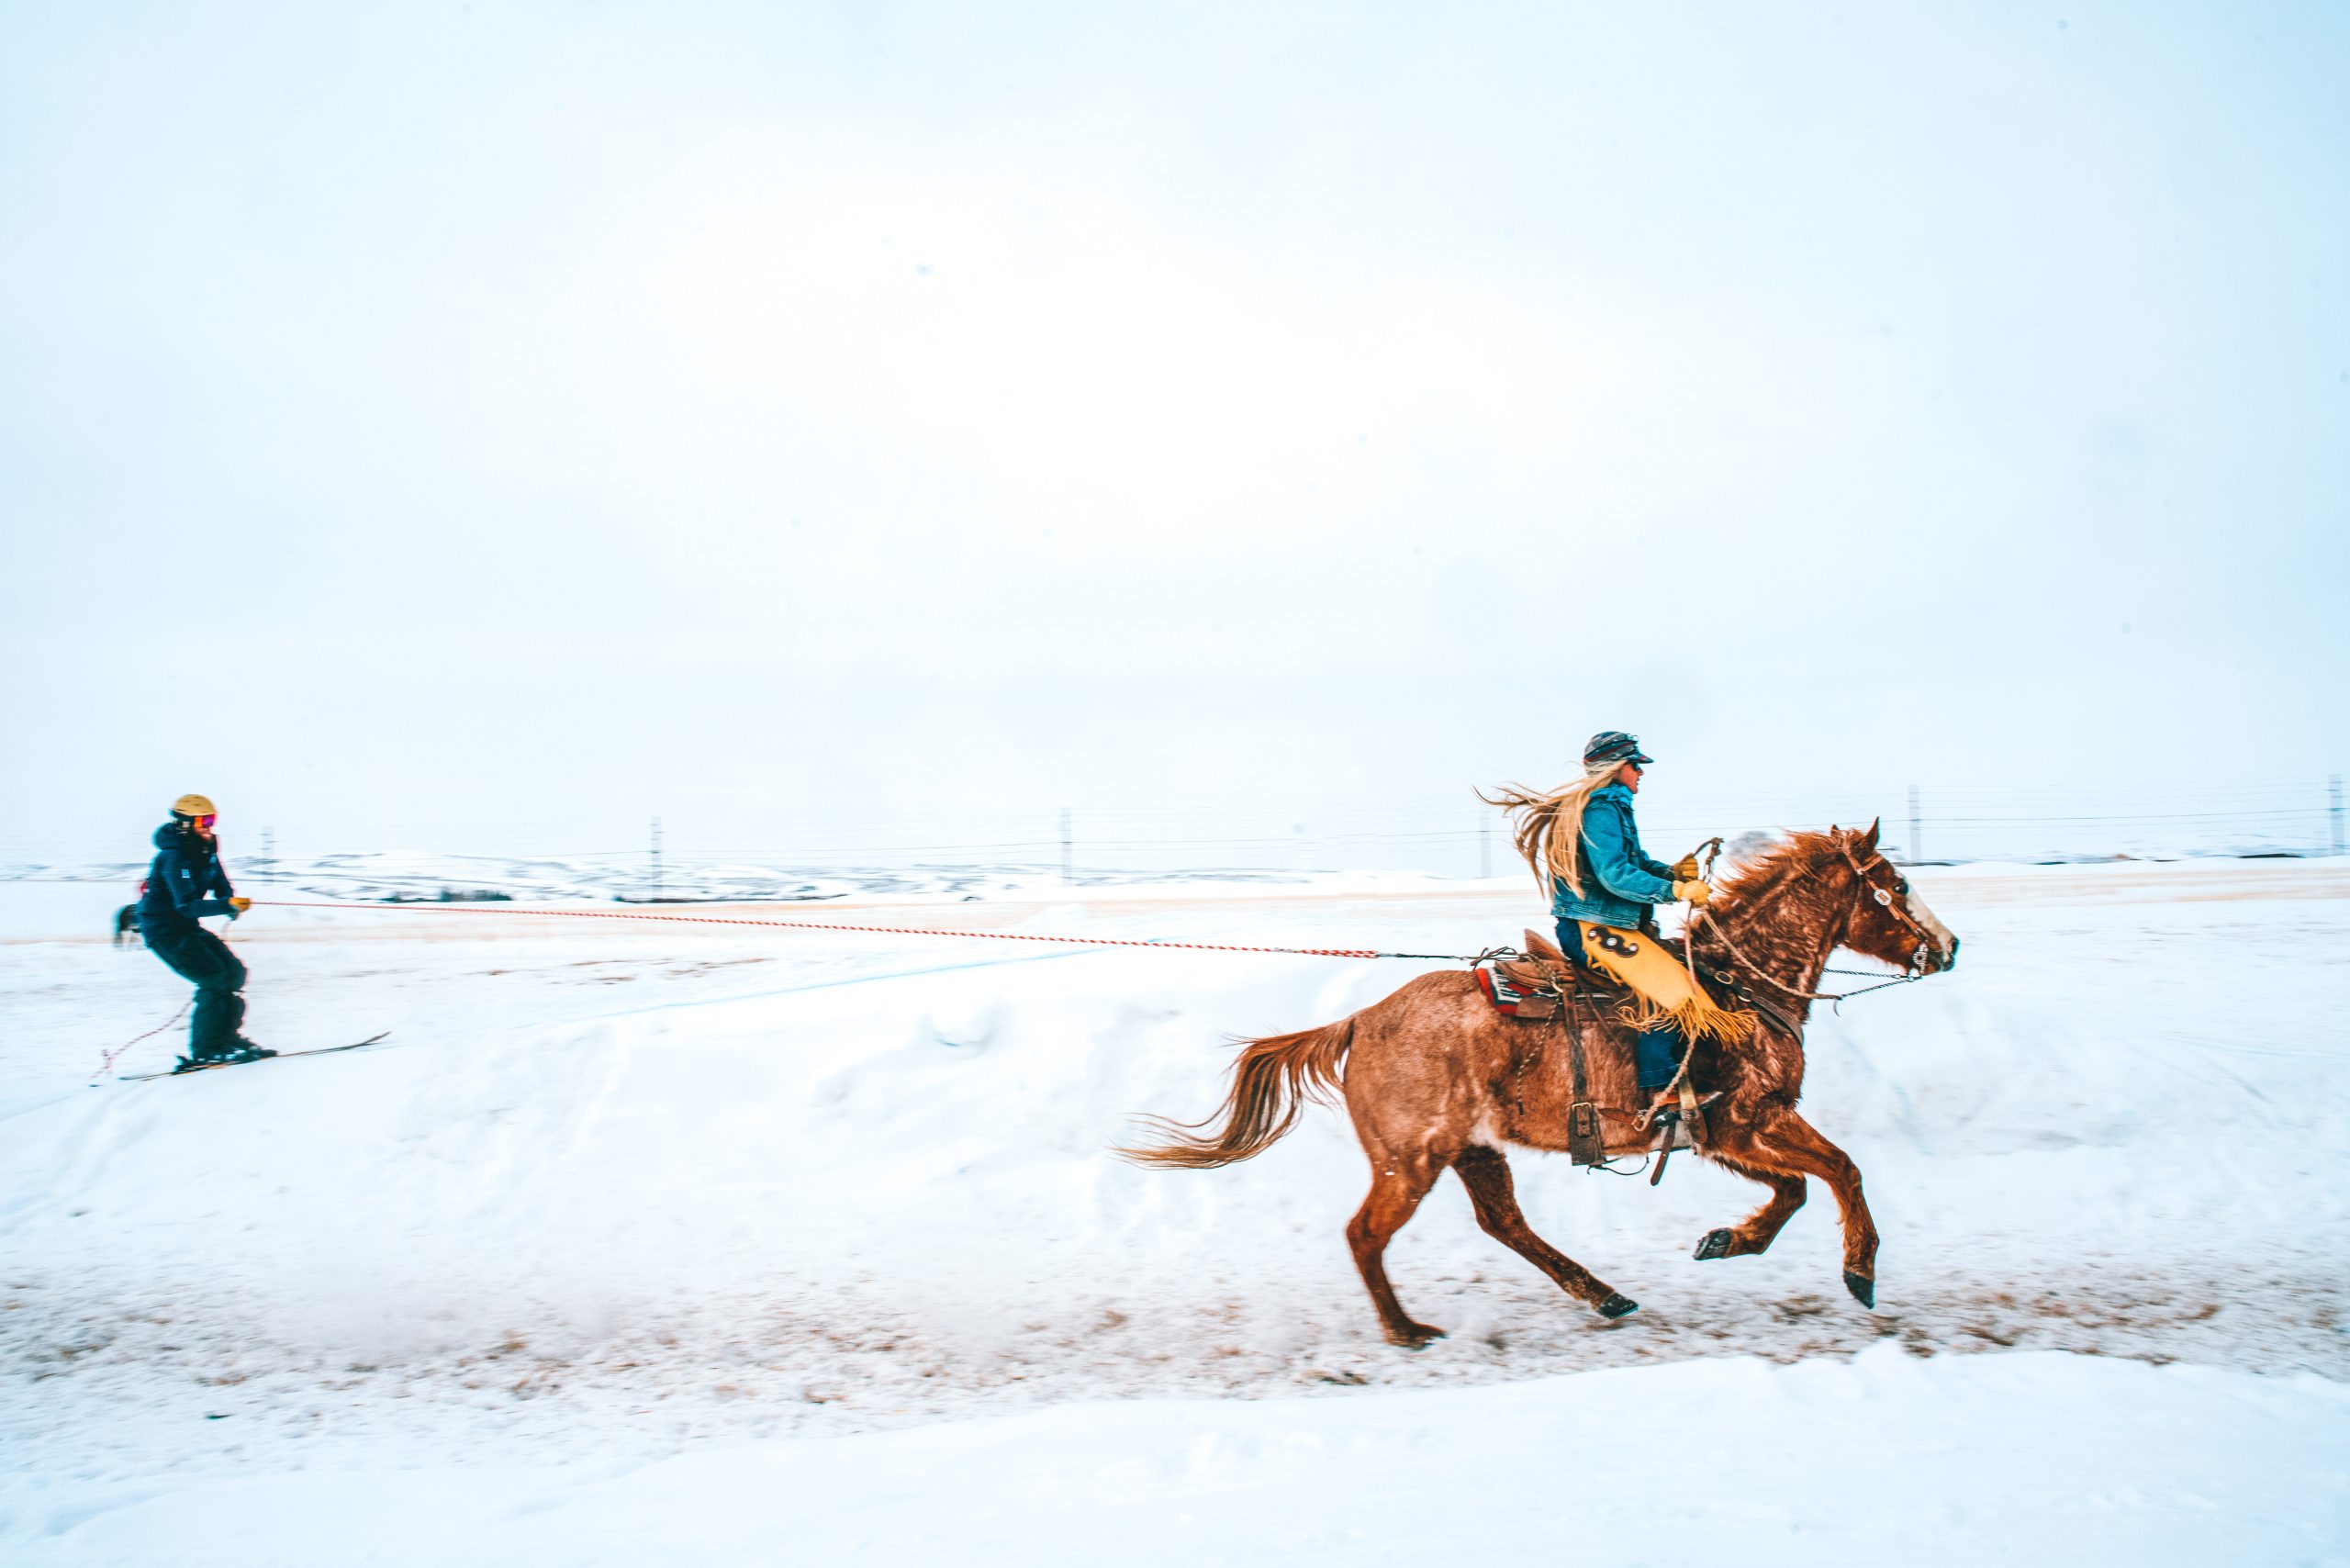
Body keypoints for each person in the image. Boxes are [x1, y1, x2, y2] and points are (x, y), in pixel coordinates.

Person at [1484, 733, 1744, 1117]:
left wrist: (1671, 872)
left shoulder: (1612, 808)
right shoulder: (1601, 810)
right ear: (1616, 768)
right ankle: (1662, 1091)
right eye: (1635, 764)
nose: (1640, 772)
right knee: (1665, 991)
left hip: (1609, 925)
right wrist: (1674, 889)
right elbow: (1615, 876)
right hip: (1593, 930)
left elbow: (1635, 862)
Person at [138, 793, 273, 1069]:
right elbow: (186, 905)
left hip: (187, 927)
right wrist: (225, 904)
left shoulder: (206, 849)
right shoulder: (172, 858)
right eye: (204, 820)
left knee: (234, 973)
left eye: (212, 820)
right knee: (213, 979)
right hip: (164, 931)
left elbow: (221, 884)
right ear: (185, 823)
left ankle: (227, 1038)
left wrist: (231, 902)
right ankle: (207, 1049)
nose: (209, 826)